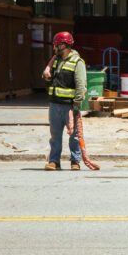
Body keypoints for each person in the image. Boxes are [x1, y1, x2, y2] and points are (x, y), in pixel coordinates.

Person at [42, 31, 86, 171]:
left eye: (56, 45)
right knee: (55, 136)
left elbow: (81, 84)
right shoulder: (55, 60)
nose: (54, 48)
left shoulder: (77, 62)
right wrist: (46, 73)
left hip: (69, 106)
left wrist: (77, 105)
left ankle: (75, 161)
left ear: (64, 45)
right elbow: (48, 78)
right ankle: (54, 161)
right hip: (54, 105)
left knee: (74, 136)